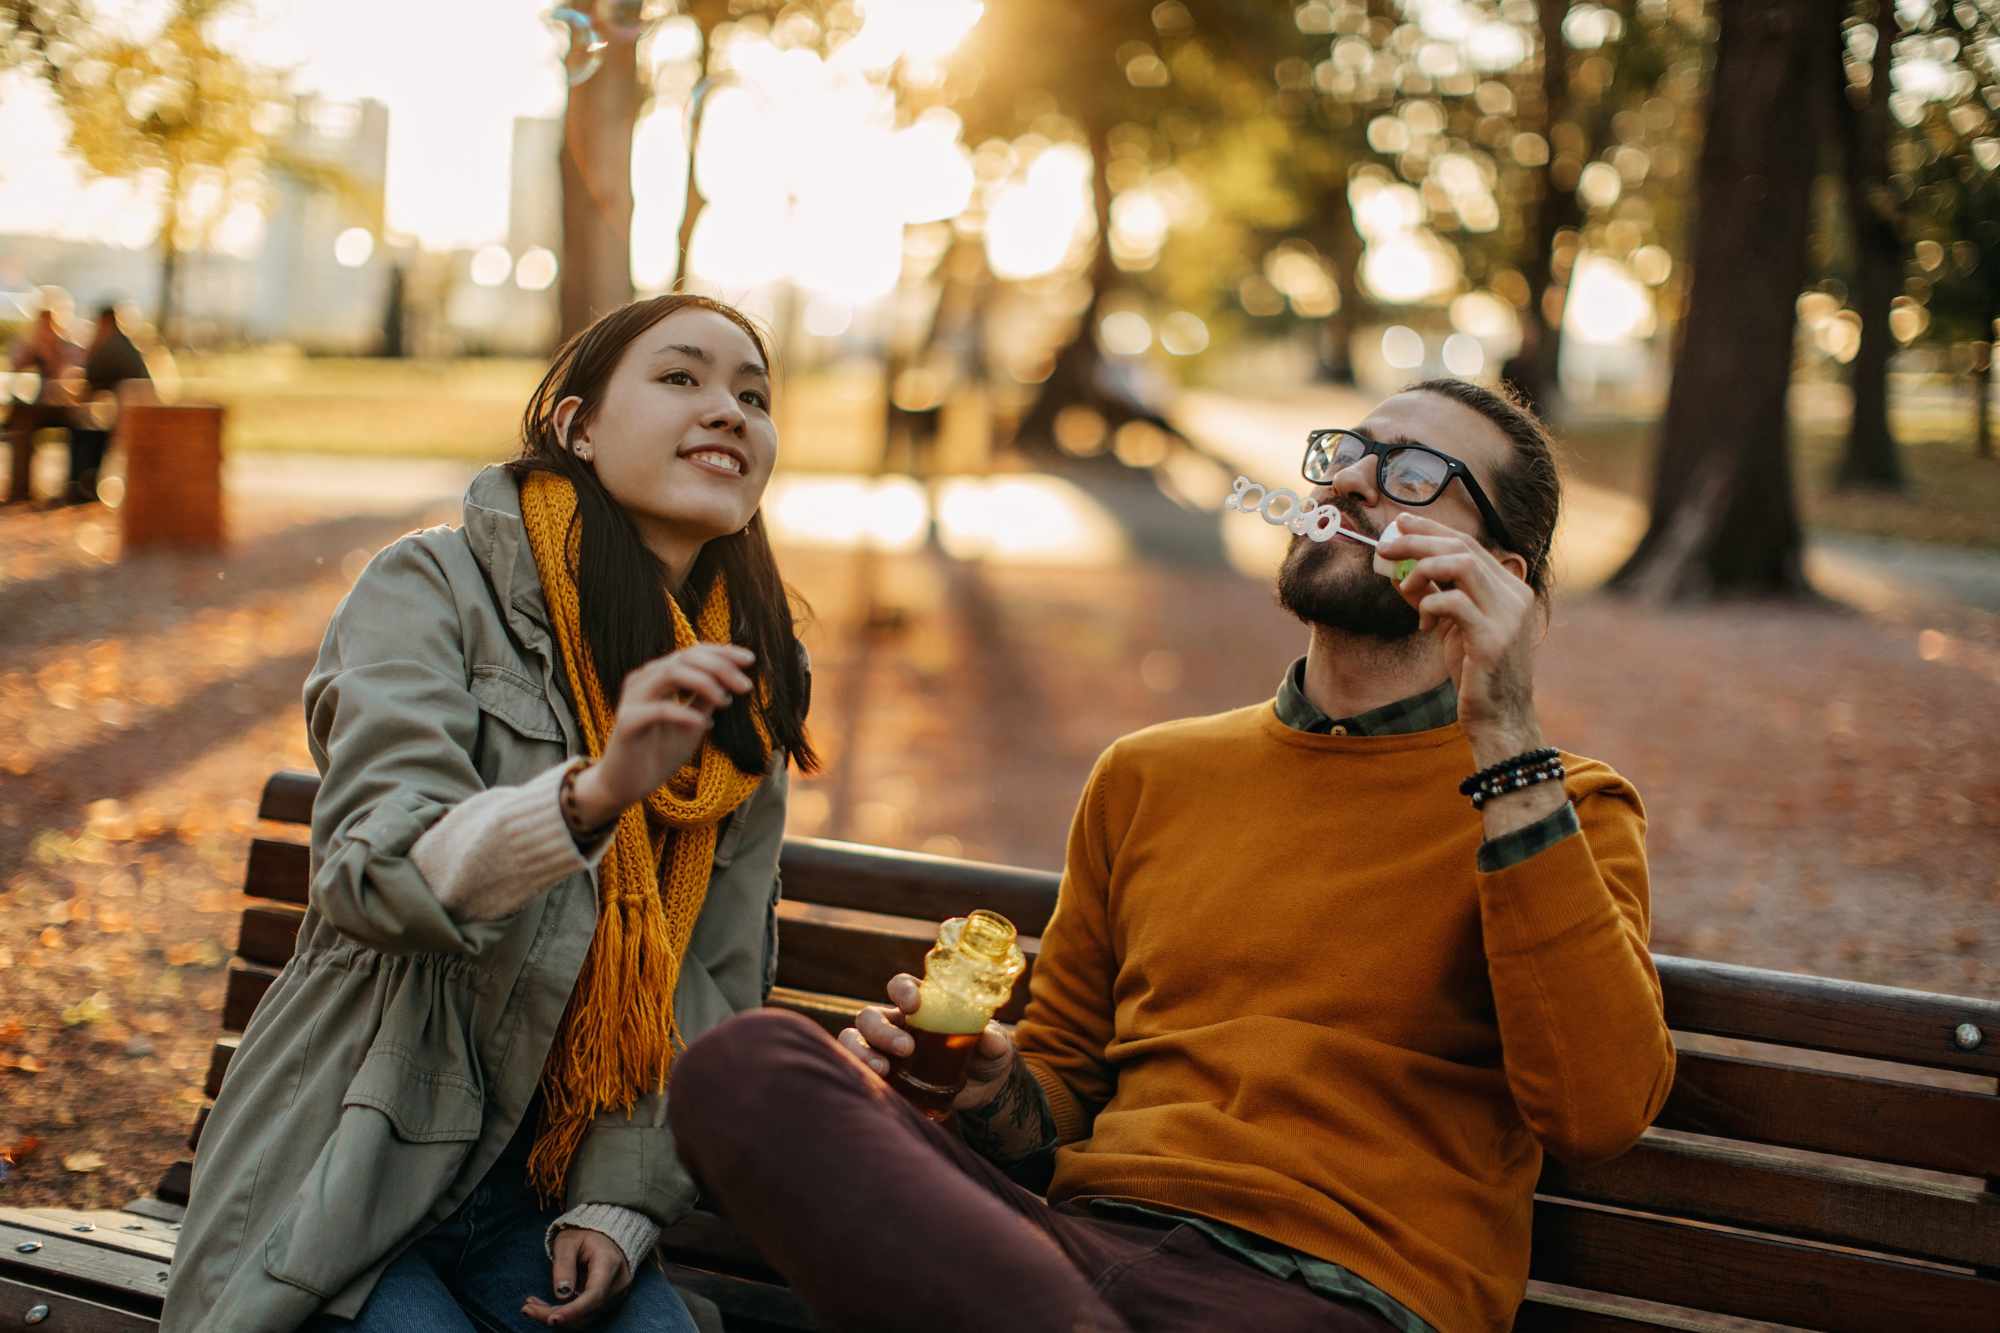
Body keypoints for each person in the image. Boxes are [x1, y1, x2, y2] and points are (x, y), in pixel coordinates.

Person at [668, 378, 1675, 1332]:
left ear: (1500, 577)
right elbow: (1059, 1093)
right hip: (1070, 1253)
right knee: (749, 1069)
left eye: (1414, 474)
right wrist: (990, 1089)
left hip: (1329, 1290)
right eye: (1347, 454)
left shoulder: (1559, 807)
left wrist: (1505, 735)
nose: (1352, 482)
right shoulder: (1151, 773)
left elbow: (1595, 1112)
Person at [162, 293, 818, 1333]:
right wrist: (591, 796)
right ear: (576, 425)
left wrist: (619, 1203)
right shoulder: (431, 588)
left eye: (754, 395)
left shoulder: (751, 678)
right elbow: (376, 870)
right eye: (680, 377)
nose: (728, 411)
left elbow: (708, 978)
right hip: (345, 1163)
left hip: (544, 1195)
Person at [62, 302, 152, 505]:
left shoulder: (110, 345)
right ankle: (85, 485)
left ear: (105, 321)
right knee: (90, 428)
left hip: (132, 413)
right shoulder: (124, 342)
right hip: (137, 410)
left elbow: (89, 382)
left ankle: (81, 486)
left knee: (85, 431)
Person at [4, 305, 82, 505]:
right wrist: (32, 351)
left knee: (82, 427)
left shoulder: (68, 346)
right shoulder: (30, 344)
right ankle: (19, 490)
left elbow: (73, 379)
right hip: (35, 406)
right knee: (21, 426)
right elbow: (14, 367)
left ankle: (73, 489)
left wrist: (53, 355)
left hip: (65, 407)